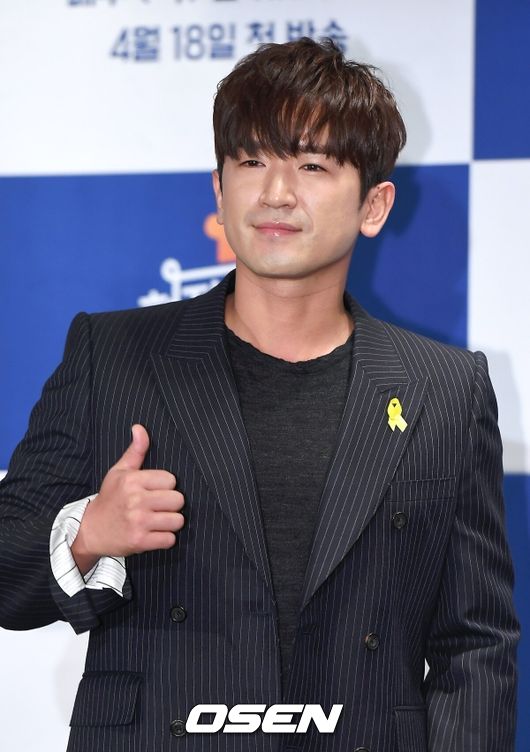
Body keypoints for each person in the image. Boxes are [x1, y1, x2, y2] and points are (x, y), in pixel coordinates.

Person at [0, 37, 519, 752]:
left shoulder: (446, 390)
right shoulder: (111, 355)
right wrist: (88, 534)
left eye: (312, 165)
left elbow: (476, 644)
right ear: (219, 191)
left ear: (374, 205)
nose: (276, 192)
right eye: (251, 161)